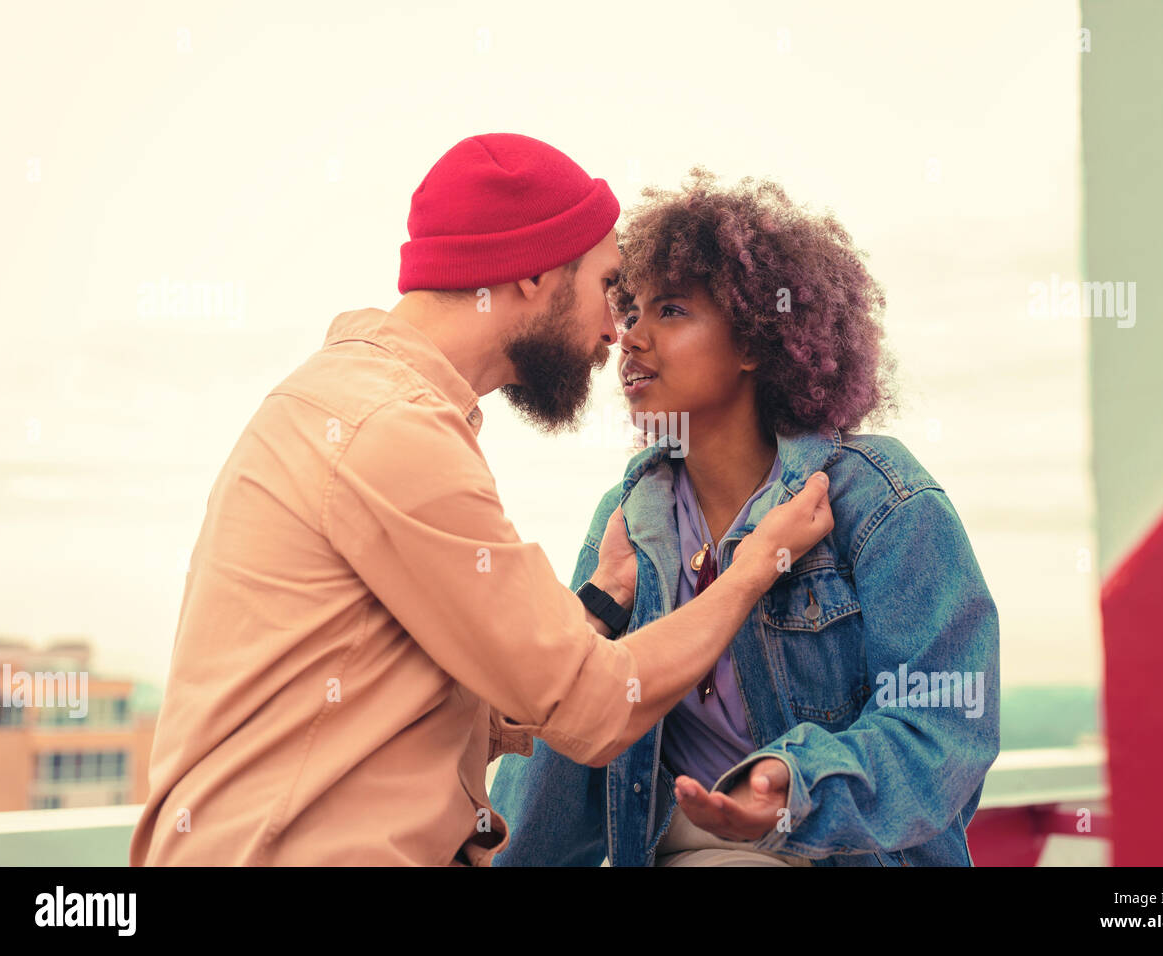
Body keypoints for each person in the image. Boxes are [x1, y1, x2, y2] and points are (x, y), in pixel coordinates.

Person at [129, 136, 833, 866]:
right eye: (608, 287)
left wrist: (600, 598)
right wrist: (752, 570)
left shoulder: (353, 405)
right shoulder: (390, 431)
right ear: (532, 272)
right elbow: (594, 707)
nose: (612, 332)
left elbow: (435, 697)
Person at [490, 168, 1000, 866]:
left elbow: (947, 724)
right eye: (629, 310)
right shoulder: (629, 517)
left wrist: (791, 787)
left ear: (759, 341)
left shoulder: (879, 500)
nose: (631, 338)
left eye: (670, 311)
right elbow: (566, 735)